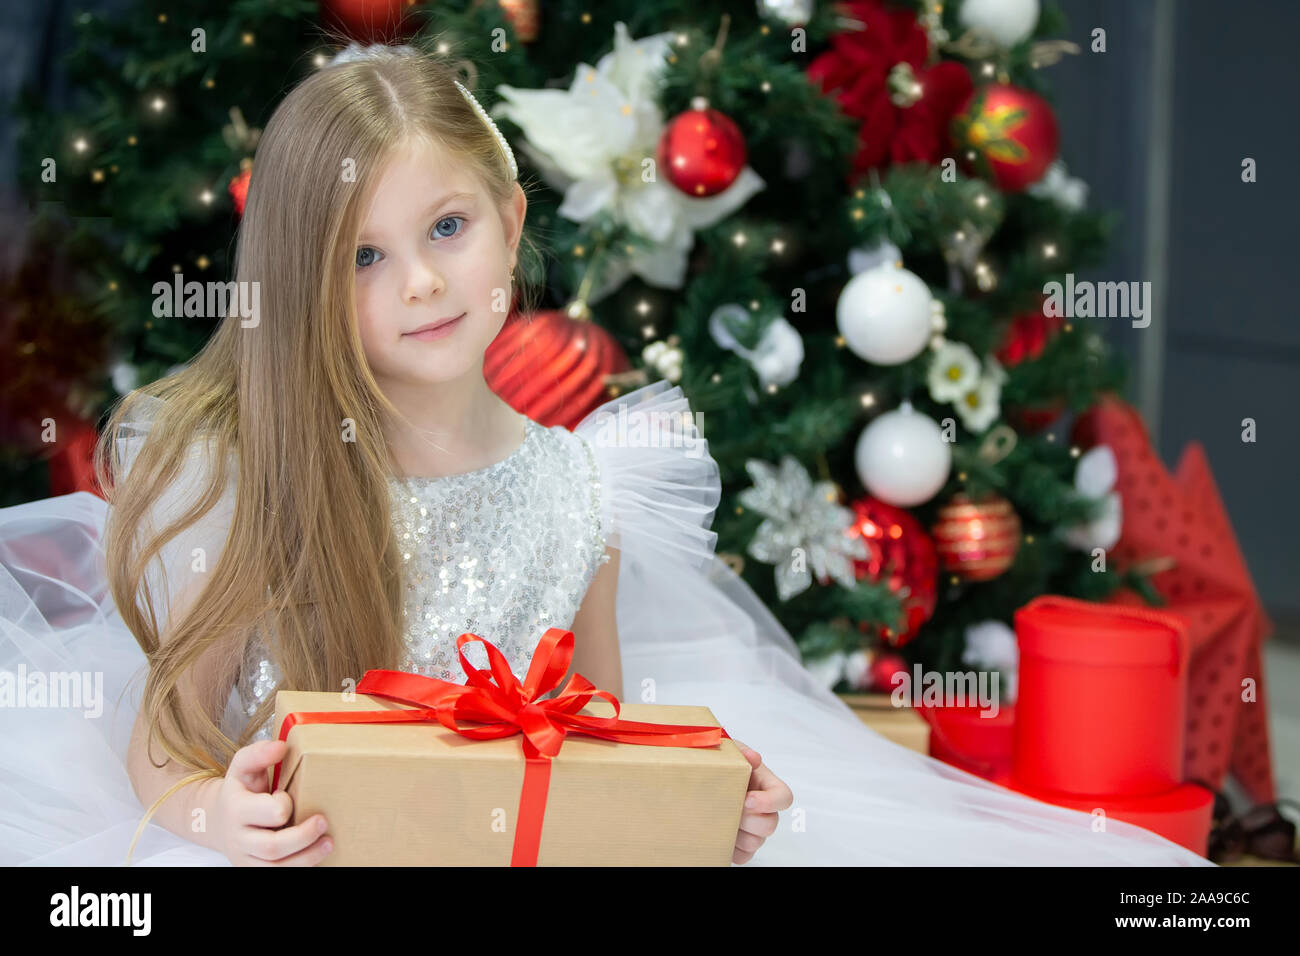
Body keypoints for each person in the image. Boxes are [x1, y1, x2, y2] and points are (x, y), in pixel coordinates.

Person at [0, 44, 1213, 867]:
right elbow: (163, 738)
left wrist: (691, 811)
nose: (421, 280)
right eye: (362, 257)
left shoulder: (581, 482)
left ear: (511, 222)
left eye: (446, 227)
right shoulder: (249, 468)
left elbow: (602, 730)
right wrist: (220, 811)